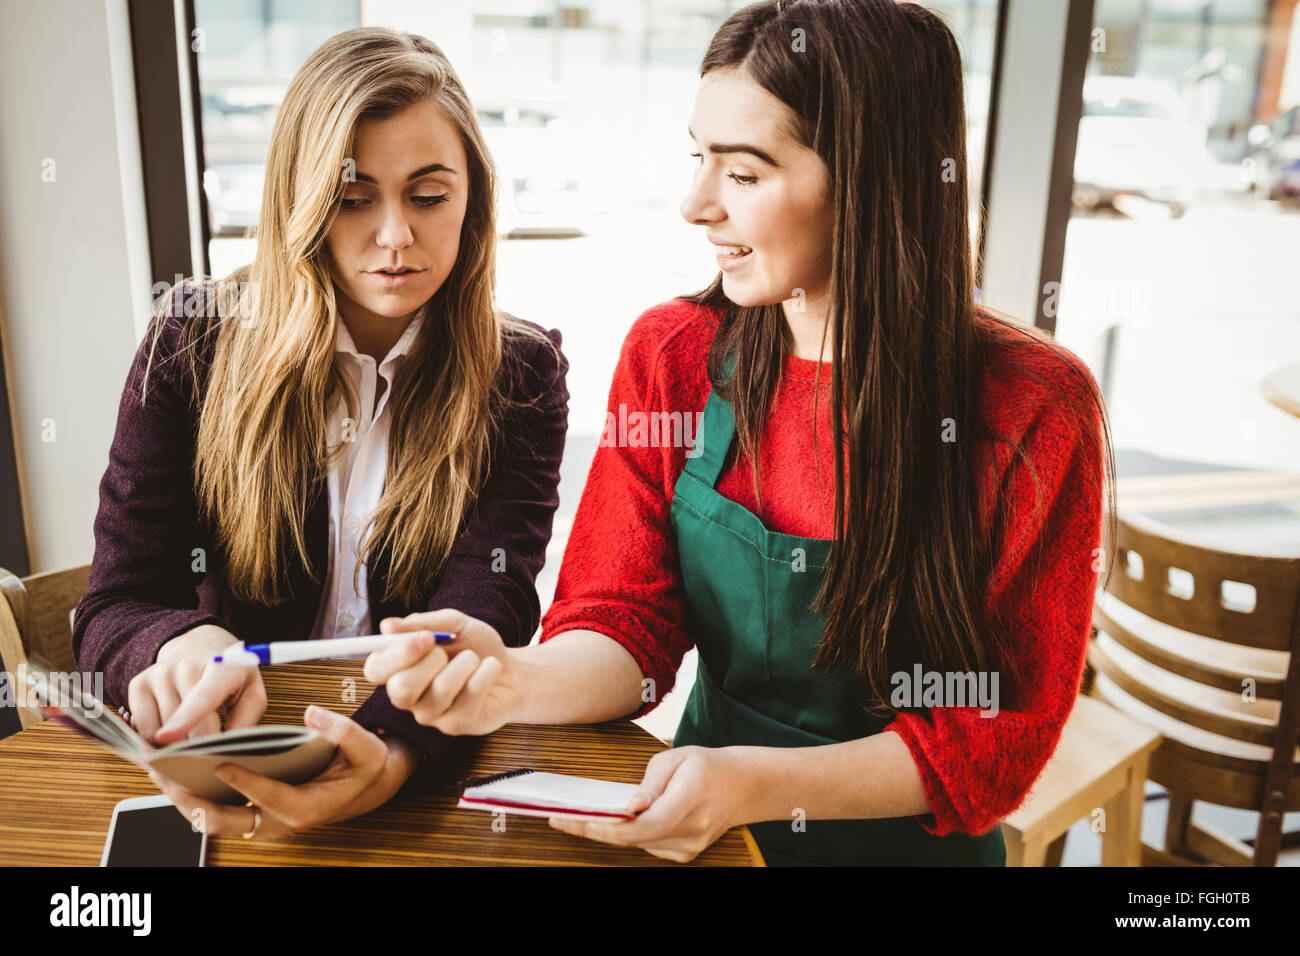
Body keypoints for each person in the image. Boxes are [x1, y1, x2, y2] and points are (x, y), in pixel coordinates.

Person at [366, 0, 1116, 865]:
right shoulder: (674, 353)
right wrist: (508, 683)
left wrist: (755, 784)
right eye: (699, 158)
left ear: (875, 179)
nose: (695, 204)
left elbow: (994, 738)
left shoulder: (1035, 406)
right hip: (697, 820)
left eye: (745, 173)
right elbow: (624, 621)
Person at [73, 26, 569, 839]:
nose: (395, 235)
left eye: (429, 195)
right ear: (300, 199)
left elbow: (491, 598)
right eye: (351, 196)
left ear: (472, 196)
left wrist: (394, 751)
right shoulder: (191, 343)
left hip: (414, 764)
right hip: (229, 764)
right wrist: (175, 646)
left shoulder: (521, 373)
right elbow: (116, 606)